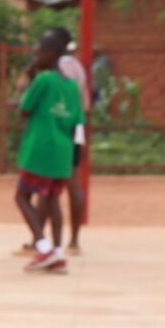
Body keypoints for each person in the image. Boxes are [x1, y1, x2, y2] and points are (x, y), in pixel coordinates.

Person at [13, 35, 81, 273]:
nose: (35, 57)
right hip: (62, 151)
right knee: (52, 200)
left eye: (38, 53)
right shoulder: (71, 85)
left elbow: (24, 109)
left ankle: (43, 248)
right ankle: (59, 253)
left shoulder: (43, 79)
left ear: (51, 55)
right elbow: (76, 121)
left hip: (40, 149)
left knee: (21, 197)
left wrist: (31, 76)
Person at [52, 25, 90, 254]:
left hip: (58, 128)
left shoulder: (59, 68)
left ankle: (41, 241)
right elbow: (84, 104)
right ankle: (74, 241)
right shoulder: (77, 66)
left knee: (48, 185)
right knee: (72, 182)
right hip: (77, 128)